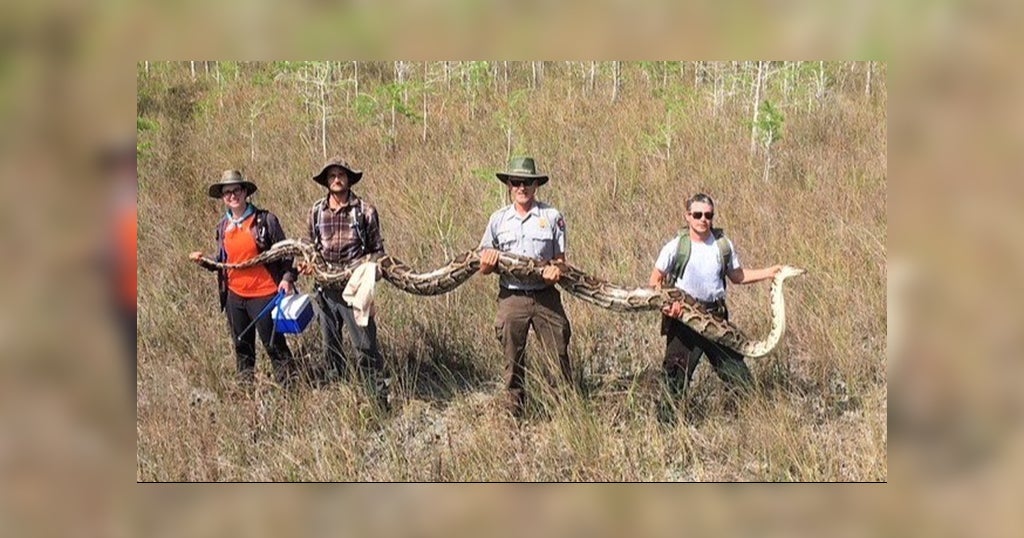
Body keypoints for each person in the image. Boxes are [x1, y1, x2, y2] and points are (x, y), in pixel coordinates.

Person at [649, 192, 782, 413]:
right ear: (688, 216)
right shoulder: (675, 247)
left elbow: (737, 276)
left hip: (715, 318)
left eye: (708, 215)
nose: (703, 219)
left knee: (739, 377)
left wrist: (770, 272)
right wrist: (668, 306)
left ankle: (753, 419)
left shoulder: (722, 245)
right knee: (675, 380)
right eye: (698, 214)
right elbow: (655, 281)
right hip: (684, 320)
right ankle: (668, 431)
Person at [479, 156, 573, 418]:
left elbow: (562, 262)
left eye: (527, 182)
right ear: (509, 185)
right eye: (517, 182)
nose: (522, 187)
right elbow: (483, 266)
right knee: (512, 360)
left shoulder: (552, 217)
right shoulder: (498, 220)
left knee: (558, 355)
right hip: (512, 296)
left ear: (536, 185)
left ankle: (565, 414)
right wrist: (487, 262)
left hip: (545, 296)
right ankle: (514, 415)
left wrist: (557, 270)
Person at [189, 170, 298, 390]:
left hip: (265, 294)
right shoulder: (223, 226)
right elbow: (225, 261)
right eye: (227, 192)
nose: (232, 196)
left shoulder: (265, 220)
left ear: (245, 192)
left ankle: (291, 390)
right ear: (222, 197)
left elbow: (287, 252)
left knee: (273, 344)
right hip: (234, 297)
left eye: (236, 190)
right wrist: (205, 261)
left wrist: (287, 278)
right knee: (242, 345)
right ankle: (245, 391)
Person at [298, 155, 389, 410]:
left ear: (349, 179)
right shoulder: (316, 211)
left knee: (365, 346)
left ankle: (378, 399)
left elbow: (377, 252)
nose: (337, 179)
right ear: (327, 181)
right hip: (325, 291)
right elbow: (310, 248)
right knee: (331, 348)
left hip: (356, 291)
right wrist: (308, 266)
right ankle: (337, 400)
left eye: (341, 175)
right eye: (332, 175)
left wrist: (362, 269)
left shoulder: (365, 211)